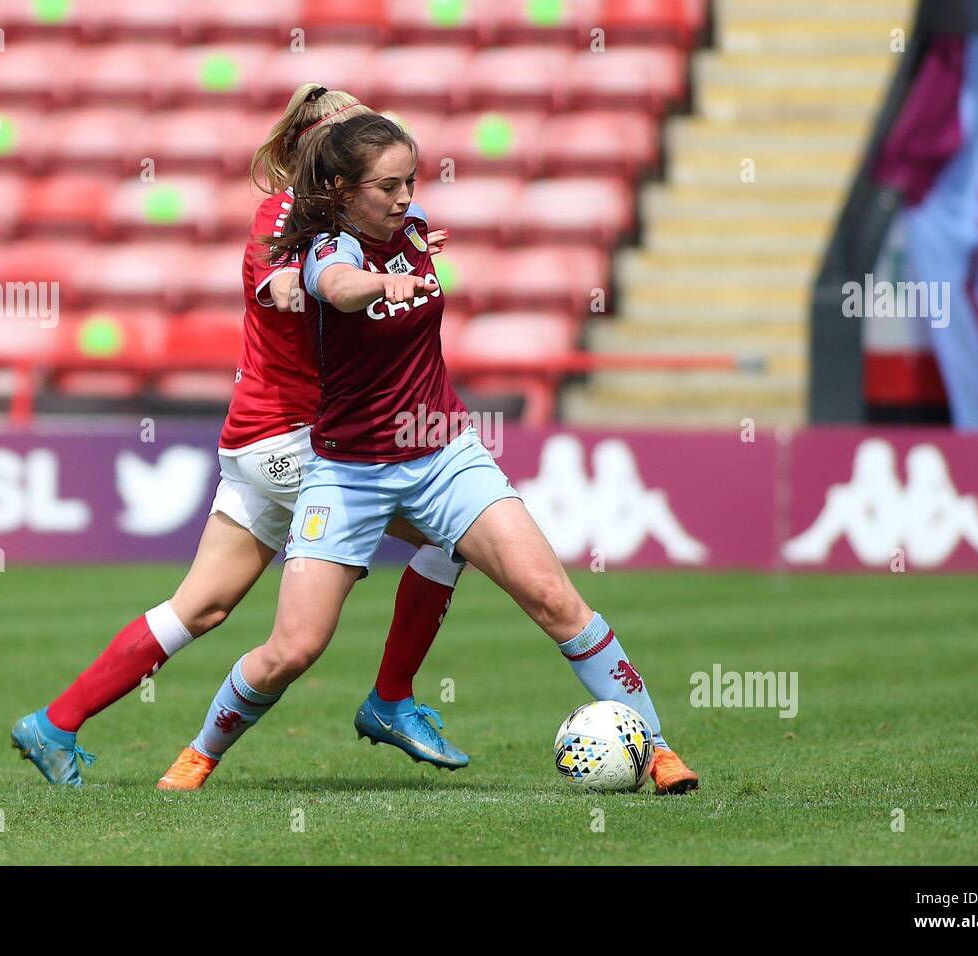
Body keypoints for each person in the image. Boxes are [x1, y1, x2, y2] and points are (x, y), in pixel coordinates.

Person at [169, 112, 700, 794]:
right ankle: (201, 753)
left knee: (552, 596)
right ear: (340, 188)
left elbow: (408, 229)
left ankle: (657, 751)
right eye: (387, 186)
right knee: (292, 649)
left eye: (410, 181)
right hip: (348, 471)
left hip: (443, 453)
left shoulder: (410, 221)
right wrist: (379, 285)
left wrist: (412, 241)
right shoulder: (329, 250)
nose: (403, 197)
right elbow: (336, 286)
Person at [10, 84, 469, 789]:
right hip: (294, 441)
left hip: (259, 439)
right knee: (450, 533)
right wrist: (300, 286)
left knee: (202, 605)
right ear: (321, 153)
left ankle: (55, 723)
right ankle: (393, 698)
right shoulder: (286, 218)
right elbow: (284, 279)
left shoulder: (334, 221)